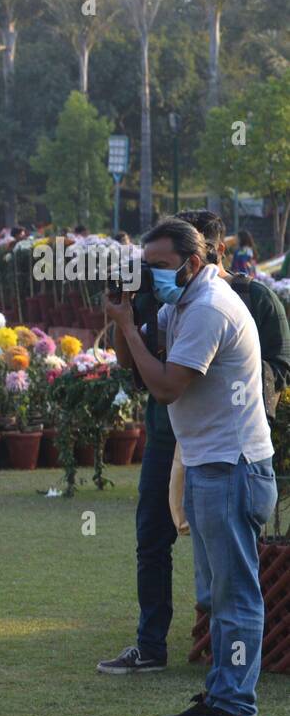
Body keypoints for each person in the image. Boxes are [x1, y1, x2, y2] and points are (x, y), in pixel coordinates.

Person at [99, 210, 290, 684]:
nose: (153, 274)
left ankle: (234, 705)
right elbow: (135, 361)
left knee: (228, 591)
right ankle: (208, 687)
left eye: (161, 264)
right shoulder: (177, 303)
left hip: (230, 458)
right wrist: (124, 315)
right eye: (148, 264)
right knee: (163, 545)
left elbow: (166, 386)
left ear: (199, 257)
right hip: (193, 447)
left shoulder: (216, 304)